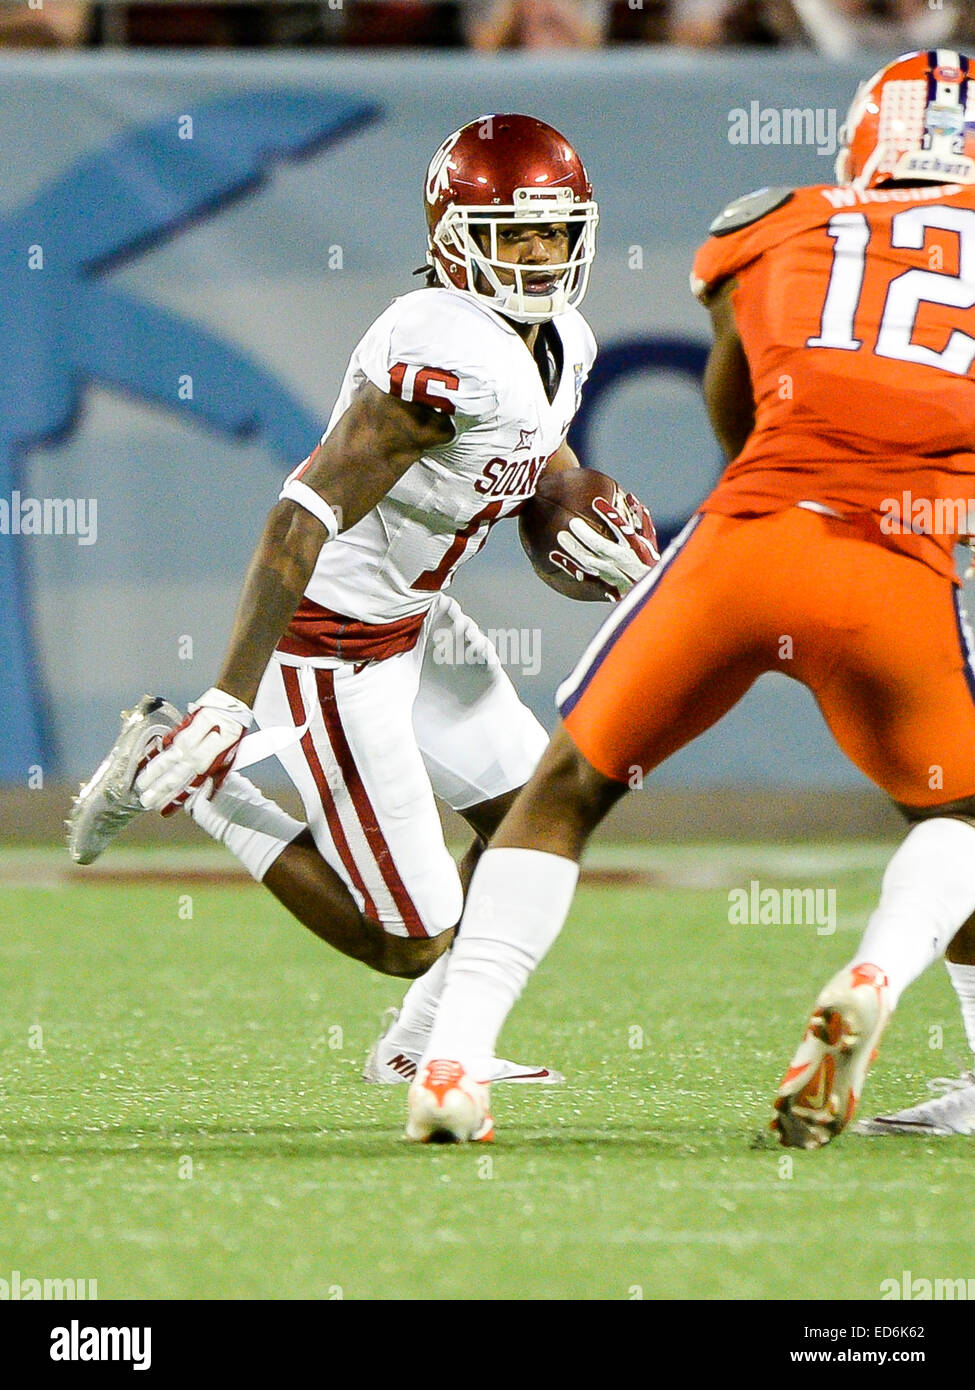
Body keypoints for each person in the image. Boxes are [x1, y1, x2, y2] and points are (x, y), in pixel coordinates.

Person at [405, 50, 975, 1148]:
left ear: (869, 138)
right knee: (959, 814)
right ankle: (877, 971)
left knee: (566, 788)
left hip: (745, 538)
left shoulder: (775, 221)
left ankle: (451, 1060)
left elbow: (739, 421)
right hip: (895, 563)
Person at [68, 114, 657, 1089]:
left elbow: (541, 465)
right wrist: (229, 698)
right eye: (514, 232)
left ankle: (419, 1046)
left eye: (554, 230)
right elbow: (299, 514)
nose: (541, 254)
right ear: (455, 239)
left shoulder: (560, 342)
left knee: (533, 817)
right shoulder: (439, 357)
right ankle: (198, 774)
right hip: (331, 644)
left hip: (416, 620)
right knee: (409, 938)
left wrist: (589, 529)